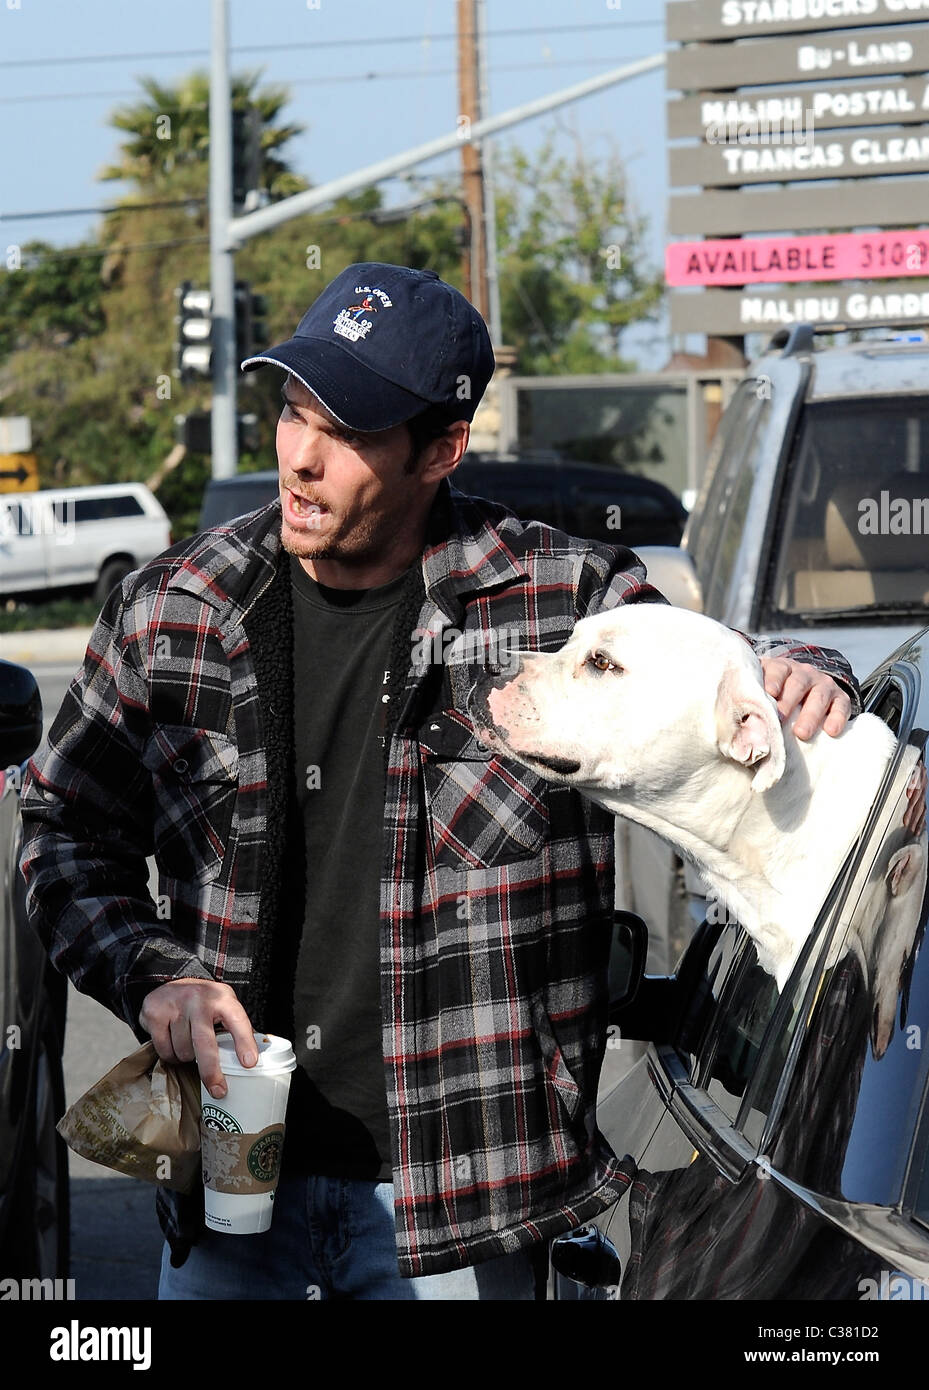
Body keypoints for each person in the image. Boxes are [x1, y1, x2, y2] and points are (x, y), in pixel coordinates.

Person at [18, 262, 858, 1301]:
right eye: (290, 414)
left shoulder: (557, 600)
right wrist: (153, 977)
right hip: (229, 1186)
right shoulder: (169, 610)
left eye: (349, 432)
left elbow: (730, 675)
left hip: (466, 1207)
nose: (302, 458)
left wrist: (809, 676)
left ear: (440, 450)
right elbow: (60, 831)